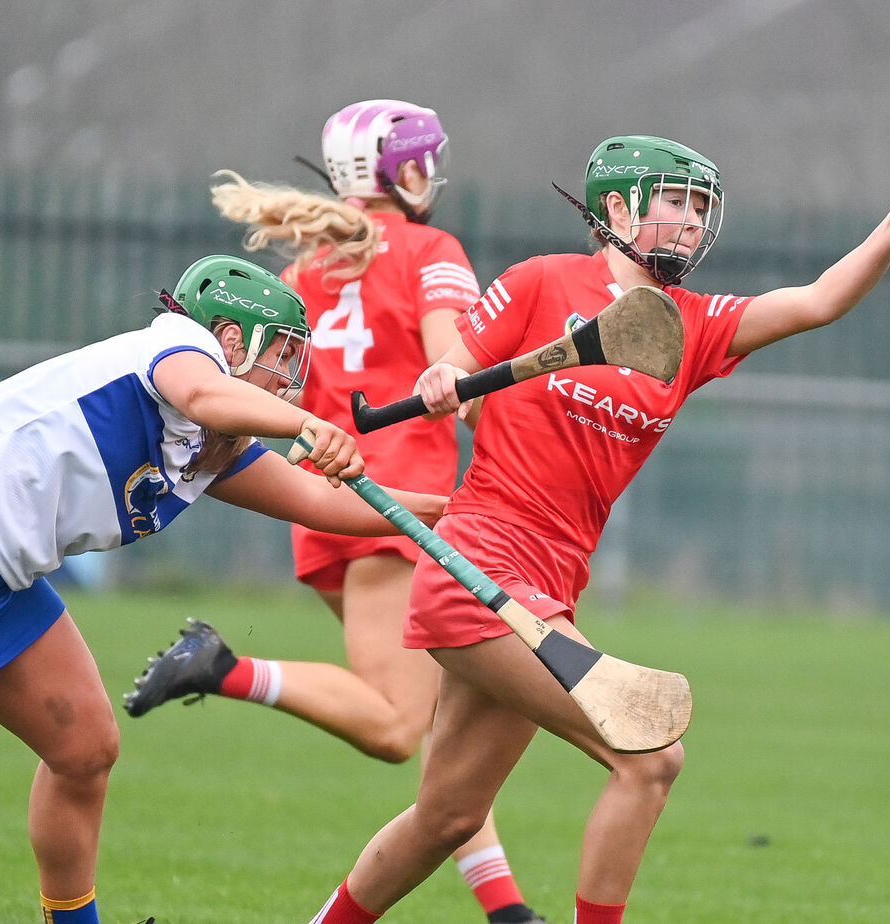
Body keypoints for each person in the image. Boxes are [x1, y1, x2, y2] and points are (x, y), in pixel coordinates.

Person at [298, 137, 890, 924]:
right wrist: (445, 379)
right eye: (676, 203)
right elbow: (460, 369)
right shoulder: (541, 281)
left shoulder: (695, 325)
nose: (692, 223)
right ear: (616, 209)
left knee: (446, 817)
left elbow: (815, 301)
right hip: (475, 568)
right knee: (649, 757)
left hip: (549, 586)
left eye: (703, 208)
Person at [0, 254, 447, 924]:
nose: (289, 382)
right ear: (230, 337)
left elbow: (324, 503)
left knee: (84, 749)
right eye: (280, 356)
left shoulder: (210, 442)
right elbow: (203, 392)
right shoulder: (179, 345)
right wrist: (305, 425)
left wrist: (459, 510)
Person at [123, 100, 547, 924]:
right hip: (400, 508)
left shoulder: (304, 272)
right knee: (397, 722)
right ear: (406, 172)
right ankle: (224, 668)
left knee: (435, 715)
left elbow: (274, 395)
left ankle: (506, 909)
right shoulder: (433, 251)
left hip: (323, 505)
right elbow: (449, 375)